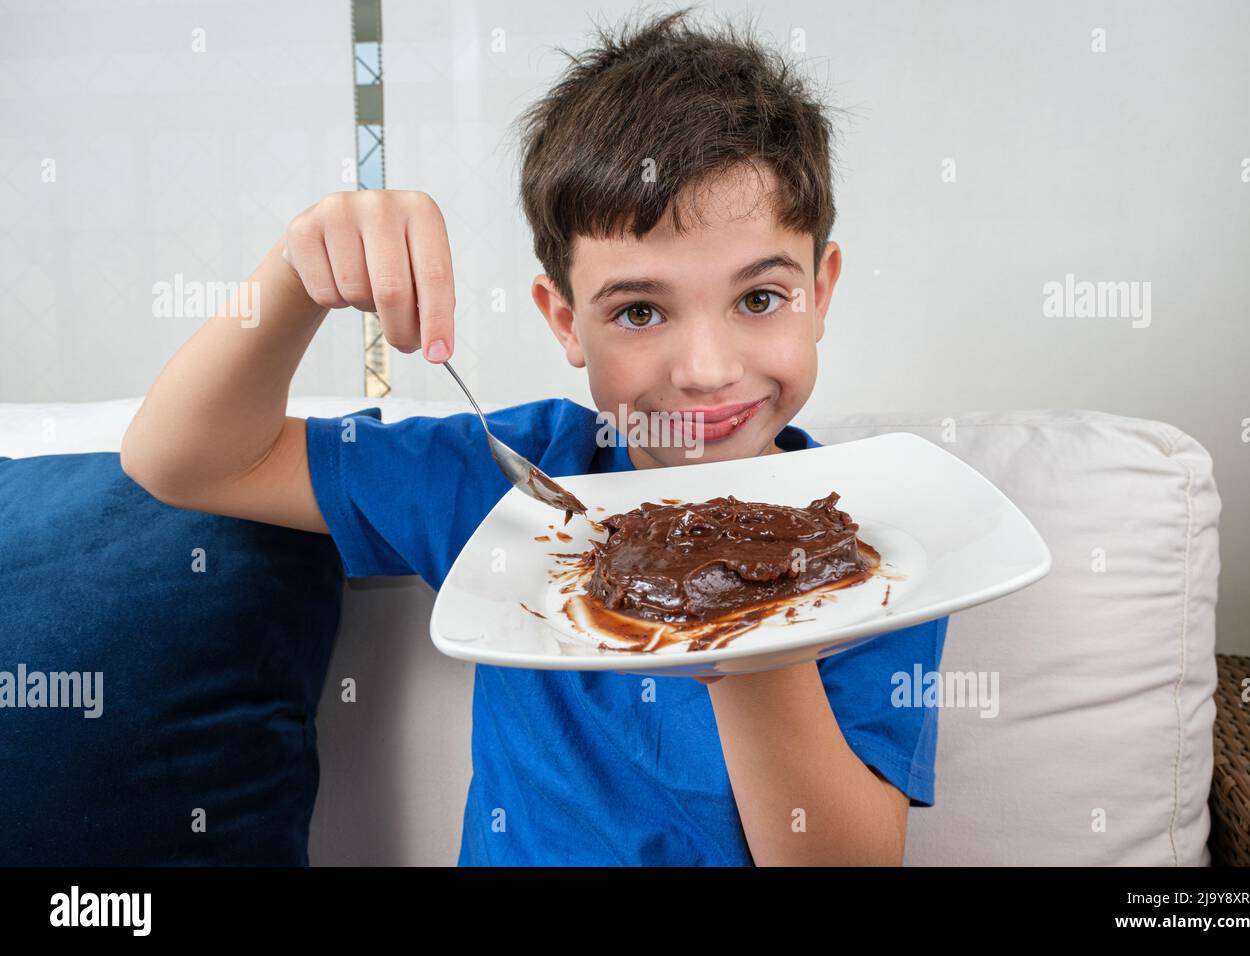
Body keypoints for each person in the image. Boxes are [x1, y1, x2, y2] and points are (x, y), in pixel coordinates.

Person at [122, 8, 949, 866]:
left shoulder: (871, 548)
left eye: (759, 298)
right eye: (639, 310)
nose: (706, 369)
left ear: (821, 289)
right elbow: (181, 459)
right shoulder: (511, 484)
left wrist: (744, 612)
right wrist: (297, 278)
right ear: (565, 321)